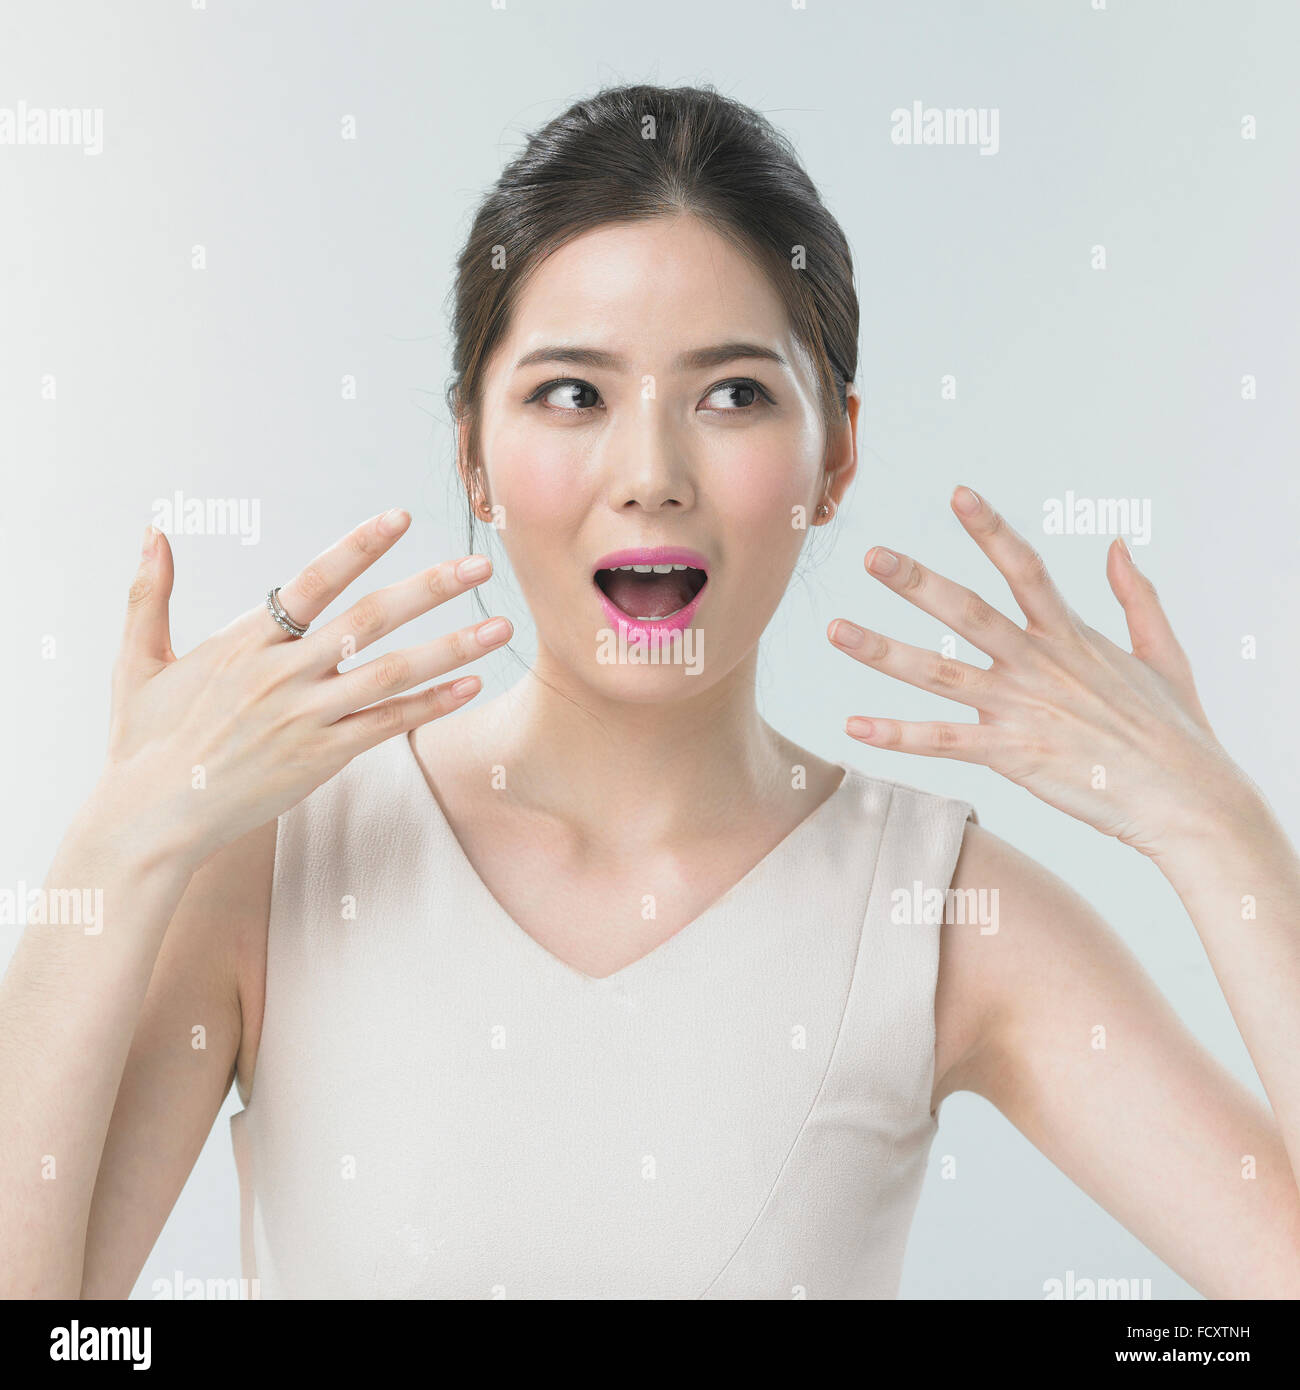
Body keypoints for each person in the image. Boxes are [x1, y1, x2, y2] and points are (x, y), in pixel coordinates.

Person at [3, 83, 1298, 1300]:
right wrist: (121, 844)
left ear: (836, 453)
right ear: (473, 449)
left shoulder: (945, 909)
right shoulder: (274, 867)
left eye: (733, 392)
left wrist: (1217, 830)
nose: (649, 470)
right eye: (573, 391)